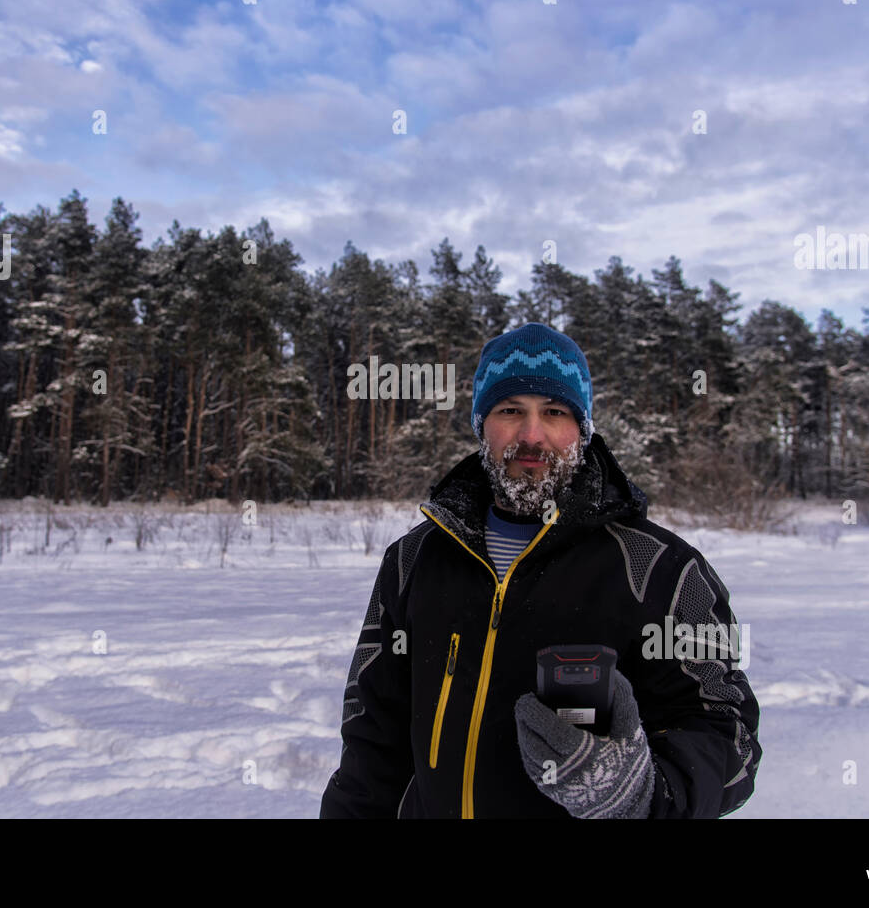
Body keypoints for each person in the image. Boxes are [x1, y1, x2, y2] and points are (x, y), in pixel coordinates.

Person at [320, 322, 761, 818]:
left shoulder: (662, 569)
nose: (532, 435)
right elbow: (370, 739)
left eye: (554, 412)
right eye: (510, 411)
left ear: (583, 429)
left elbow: (730, 736)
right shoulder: (413, 560)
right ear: (481, 424)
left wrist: (639, 792)